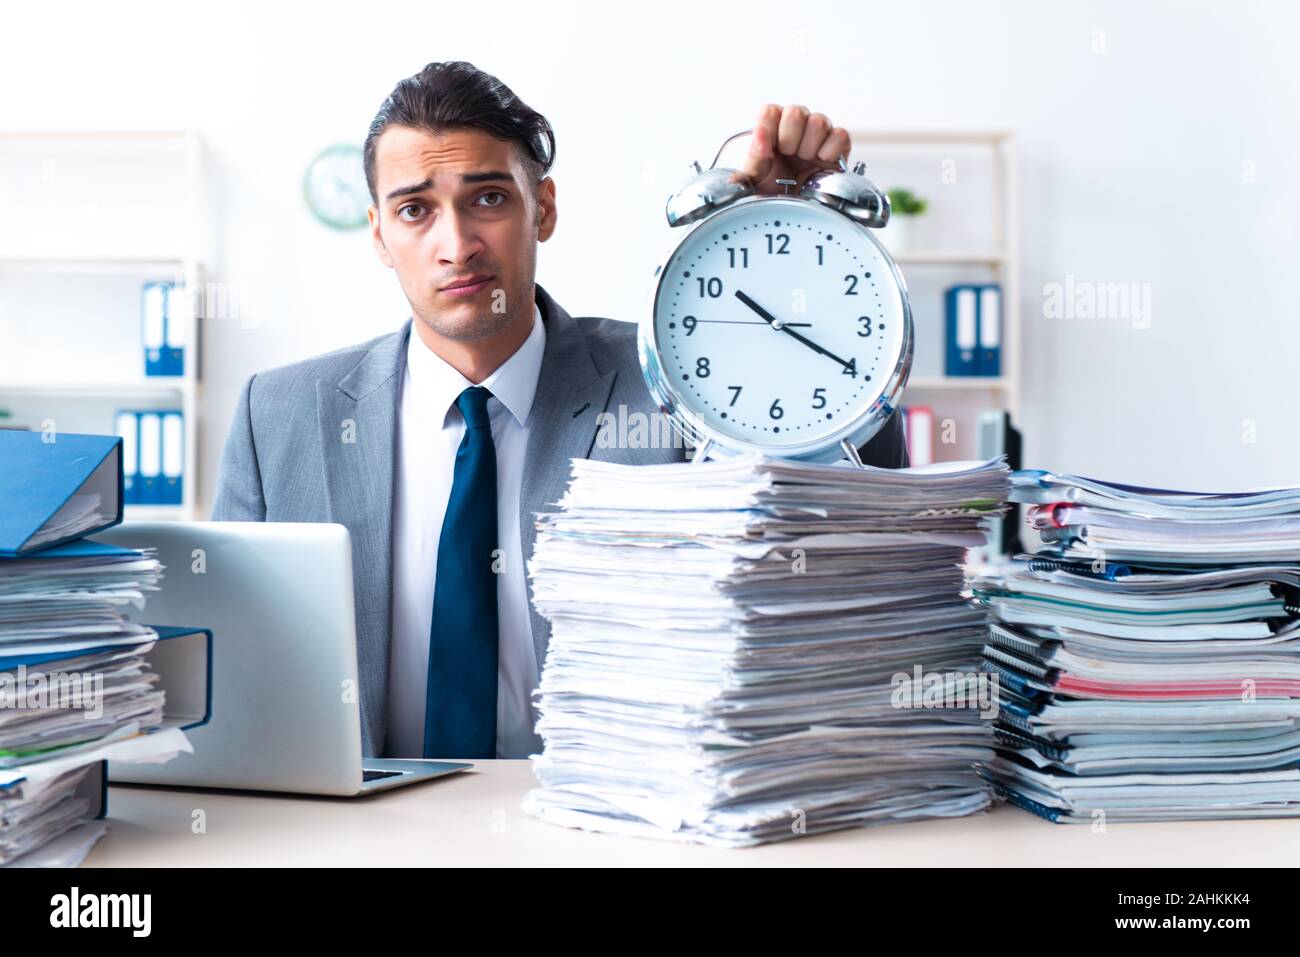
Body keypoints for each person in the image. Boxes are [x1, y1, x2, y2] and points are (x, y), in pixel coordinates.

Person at [212, 60, 909, 761]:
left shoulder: (673, 385)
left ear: (542, 208)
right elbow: (230, 674)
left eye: (487, 198)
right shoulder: (277, 417)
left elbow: (857, 543)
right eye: (415, 209)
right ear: (378, 234)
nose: (456, 245)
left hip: (611, 825)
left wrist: (778, 234)